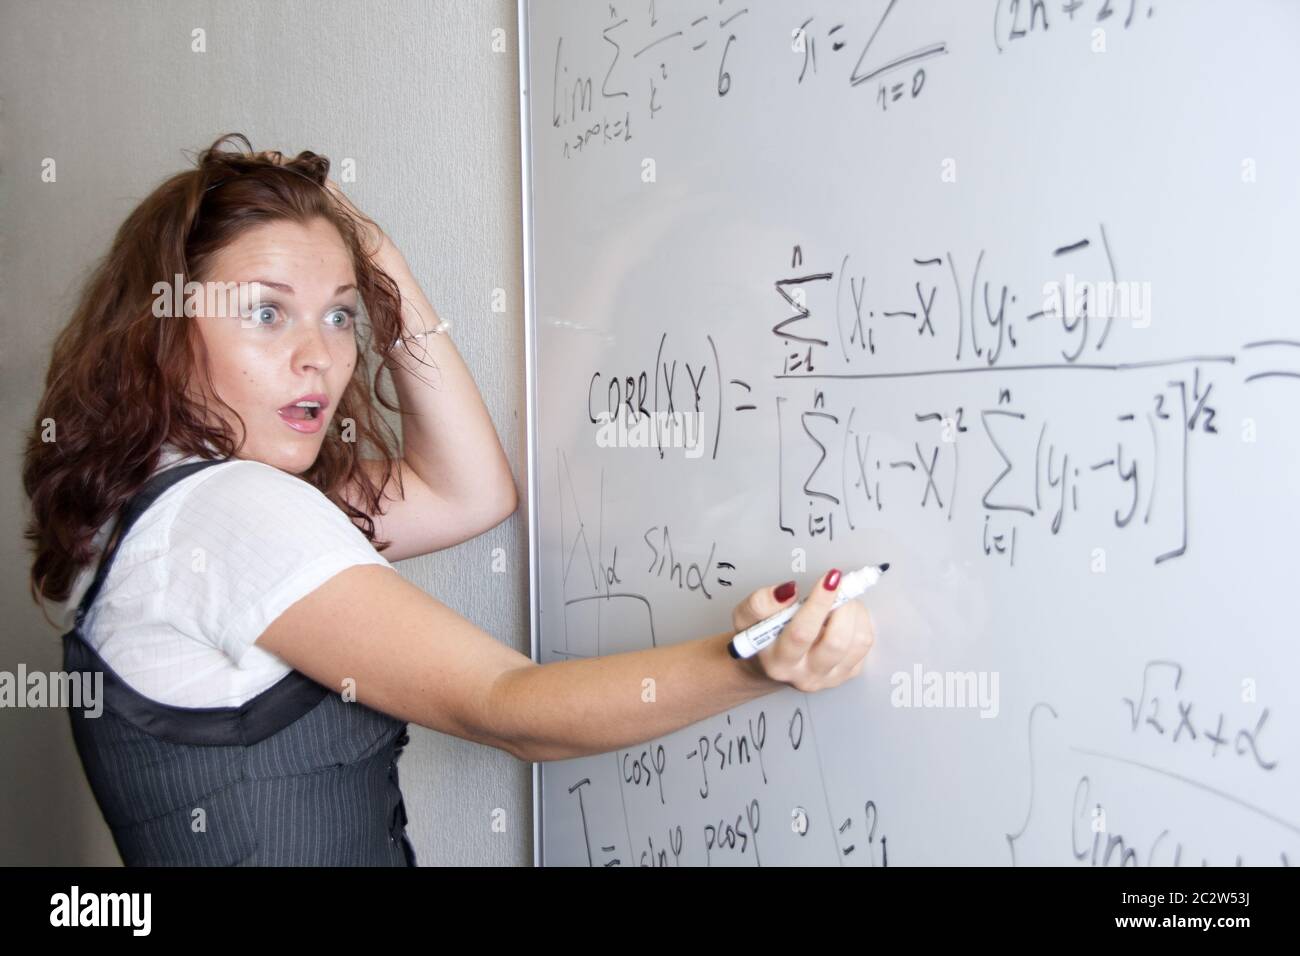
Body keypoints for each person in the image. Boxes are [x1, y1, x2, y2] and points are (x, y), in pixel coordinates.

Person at [22, 133, 877, 866]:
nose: (319, 356)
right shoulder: (232, 513)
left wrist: (374, 256)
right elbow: (508, 707)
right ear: (163, 331)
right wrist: (755, 664)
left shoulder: (153, 501)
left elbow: (470, 491)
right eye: (267, 314)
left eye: (342, 316)